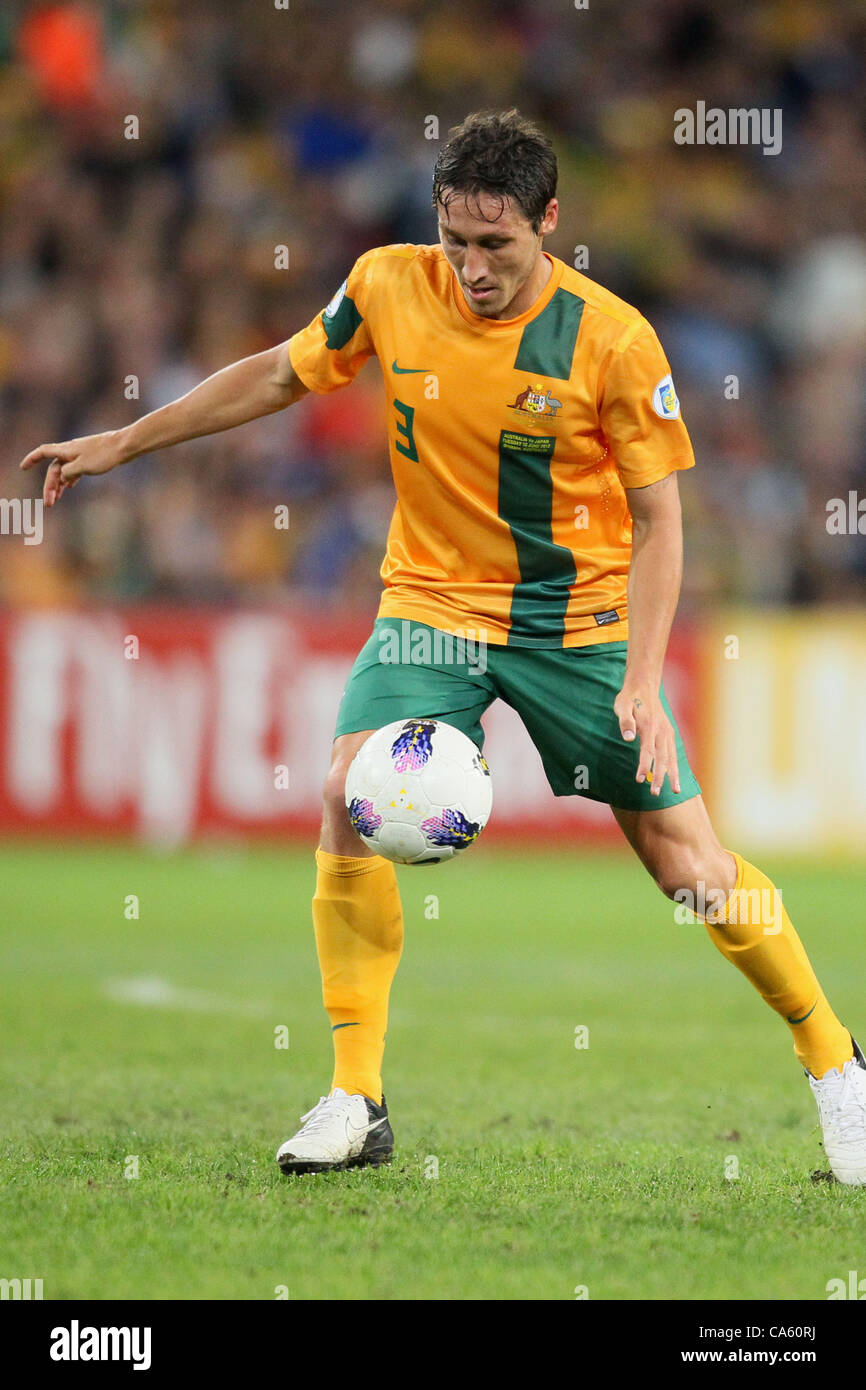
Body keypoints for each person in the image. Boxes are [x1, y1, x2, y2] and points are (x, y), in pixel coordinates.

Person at [21, 109, 866, 1183]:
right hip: (429, 606)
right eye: (455, 240)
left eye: (496, 245)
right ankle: (354, 1096)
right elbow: (281, 375)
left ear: (548, 222)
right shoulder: (385, 284)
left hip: (577, 625)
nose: (470, 267)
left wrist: (644, 684)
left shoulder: (611, 340)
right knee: (342, 789)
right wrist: (125, 440)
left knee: (690, 867)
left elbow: (661, 523)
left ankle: (835, 1066)